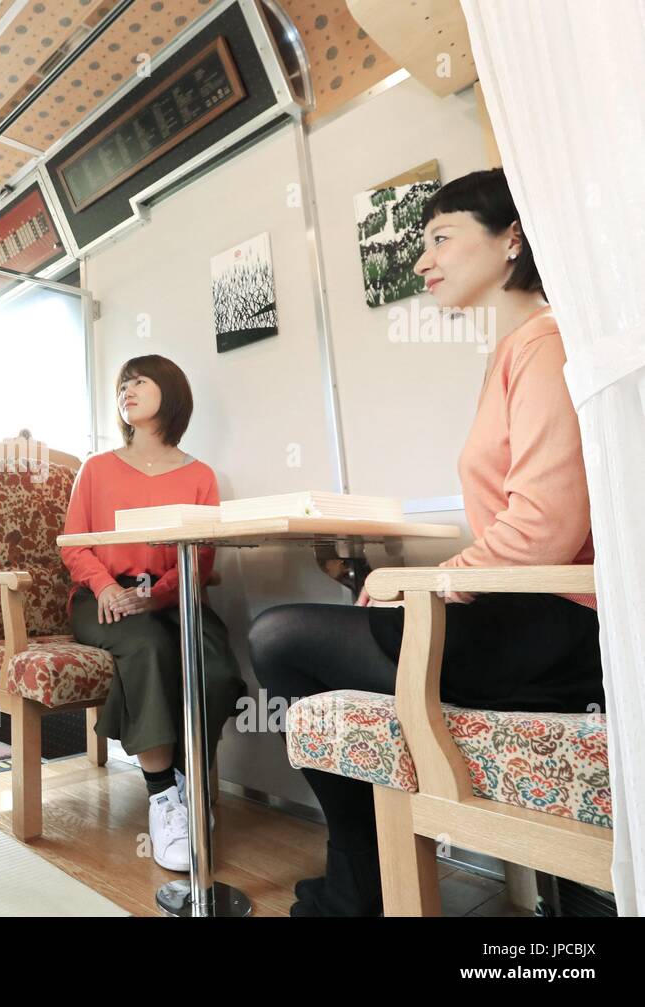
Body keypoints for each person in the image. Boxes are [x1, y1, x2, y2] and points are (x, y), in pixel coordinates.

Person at [248, 167, 604, 916]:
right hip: (532, 619)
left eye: (441, 237)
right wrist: (416, 581)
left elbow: (546, 526)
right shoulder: (516, 349)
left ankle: (359, 886)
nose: (421, 261)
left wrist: (432, 580)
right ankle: (363, 880)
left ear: (512, 238)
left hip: (556, 628)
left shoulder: (546, 342)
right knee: (328, 622)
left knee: (280, 635)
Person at [60, 354, 246, 872]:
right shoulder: (95, 469)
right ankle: (164, 798)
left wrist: (157, 595)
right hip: (103, 600)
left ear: (172, 392)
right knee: (148, 645)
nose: (127, 389)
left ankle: (189, 778)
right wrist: (106, 589)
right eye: (123, 383)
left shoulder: (201, 475)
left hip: (173, 596)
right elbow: (74, 545)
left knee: (221, 668)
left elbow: (202, 555)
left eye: (140, 381)